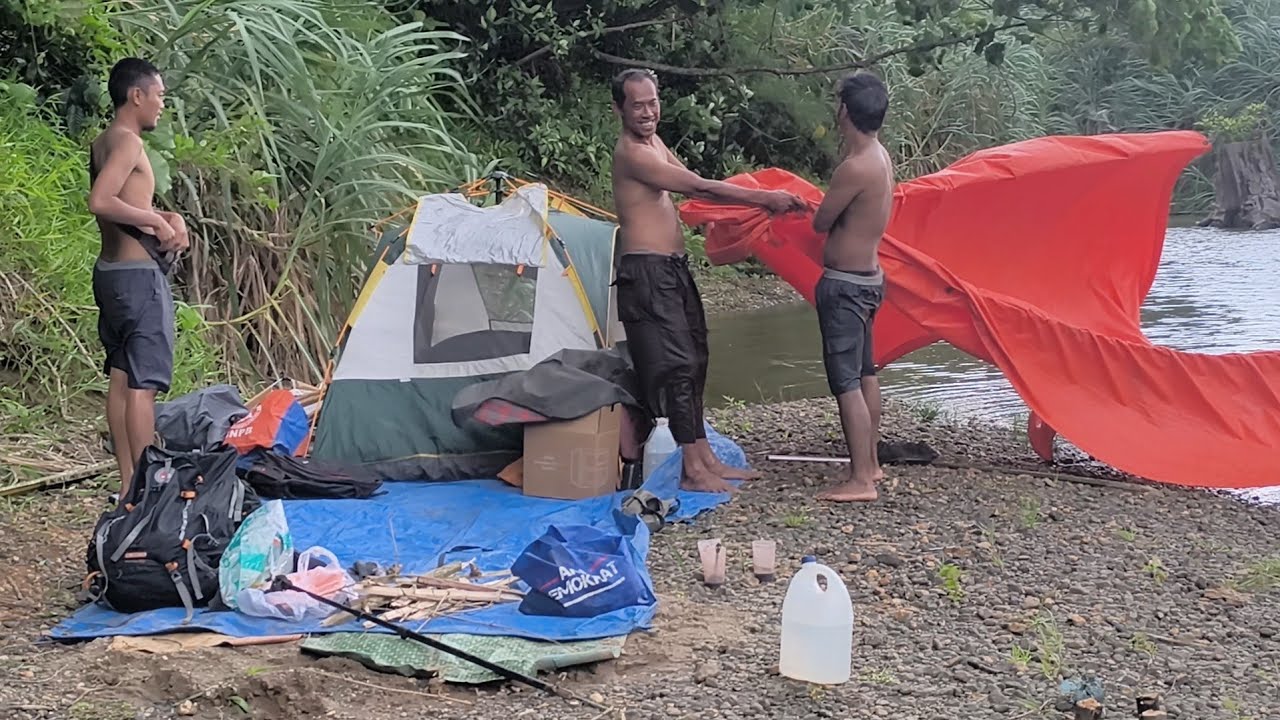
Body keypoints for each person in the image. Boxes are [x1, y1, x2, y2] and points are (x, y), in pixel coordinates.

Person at [610, 67, 807, 493]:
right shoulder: (632, 153)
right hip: (646, 273)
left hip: (673, 269)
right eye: (637, 106)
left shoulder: (654, 142)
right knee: (676, 366)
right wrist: (763, 199)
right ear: (618, 109)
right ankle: (692, 469)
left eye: (652, 103)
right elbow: (697, 186)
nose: (647, 112)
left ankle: (705, 457)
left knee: (696, 357)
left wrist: (729, 216)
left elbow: (696, 192)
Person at [87, 57, 189, 500]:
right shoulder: (128, 142)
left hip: (110, 274)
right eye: (159, 95)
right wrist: (157, 221)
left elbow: (124, 202)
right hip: (137, 279)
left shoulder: (103, 141)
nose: (162, 104)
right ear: (137, 95)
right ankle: (149, 492)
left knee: (120, 376)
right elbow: (101, 201)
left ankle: (130, 486)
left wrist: (167, 217)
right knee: (143, 385)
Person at [810, 71, 894, 503]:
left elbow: (821, 221)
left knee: (845, 382)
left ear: (844, 111)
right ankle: (872, 463)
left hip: (845, 287)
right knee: (865, 372)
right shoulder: (880, 157)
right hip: (870, 280)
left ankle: (861, 479)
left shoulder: (854, 167)